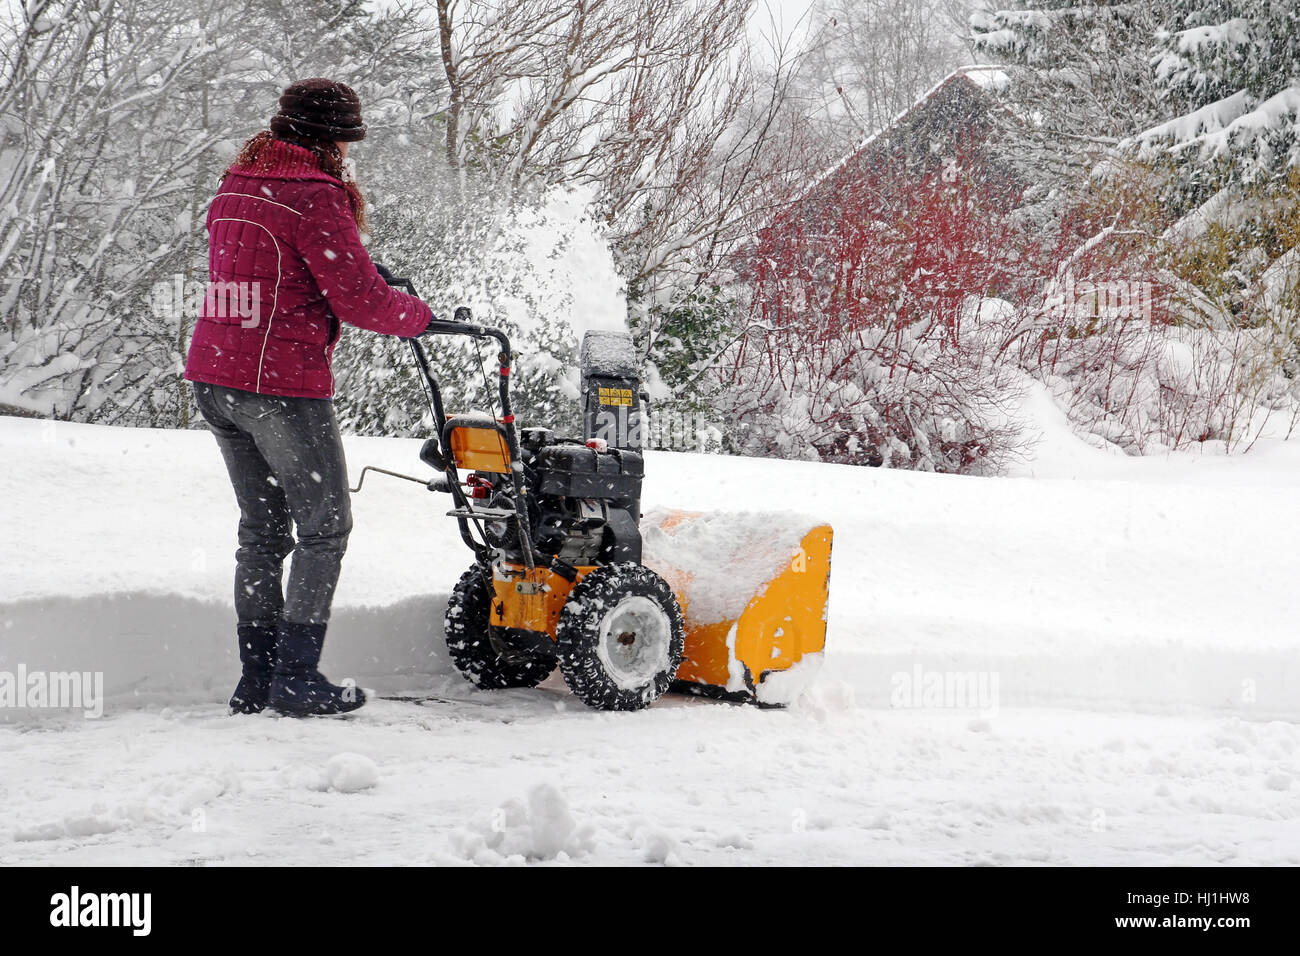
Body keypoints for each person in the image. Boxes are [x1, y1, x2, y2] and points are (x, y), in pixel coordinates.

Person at [185, 79, 432, 717]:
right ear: (328, 143)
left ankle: (257, 679)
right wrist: (418, 315)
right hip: (279, 387)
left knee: (262, 531)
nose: (347, 156)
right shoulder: (316, 197)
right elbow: (362, 303)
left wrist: (366, 274)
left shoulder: (239, 181)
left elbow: (271, 270)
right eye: (344, 144)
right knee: (325, 527)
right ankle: (296, 678)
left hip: (216, 376)